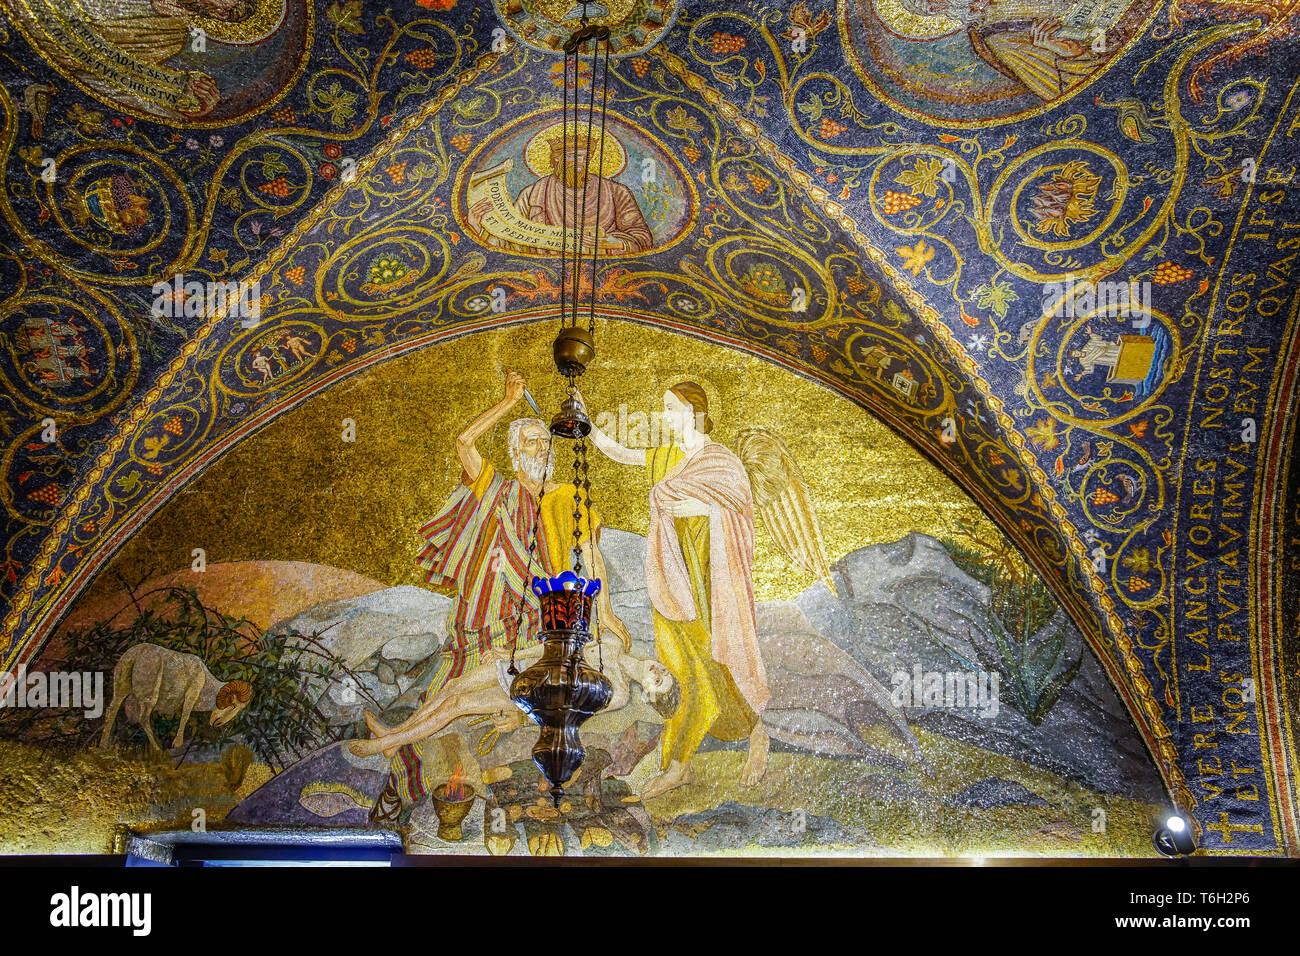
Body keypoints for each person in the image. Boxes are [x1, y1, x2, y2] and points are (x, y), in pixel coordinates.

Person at [349, 369, 631, 759]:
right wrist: (508, 402)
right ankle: (396, 737)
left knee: (467, 699)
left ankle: (394, 740)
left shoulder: (569, 496)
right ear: (516, 453)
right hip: (489, 611)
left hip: (539, 613)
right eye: (532, 444)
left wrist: (609, 613)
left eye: (546, 445)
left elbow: (592, 556)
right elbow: (464, 442)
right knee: (456, 691)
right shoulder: (498, 487)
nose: (543, 451)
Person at [582, 382, 770, 799]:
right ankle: (678, 765)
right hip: (674, 580)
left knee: (718, 663)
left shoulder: (721, 460)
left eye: (670, 408)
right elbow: (623, 453)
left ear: (692, 410)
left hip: (710, 583)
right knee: (681, 672)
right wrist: (588, 426)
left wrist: (704, 508)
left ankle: (756, 733)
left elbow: (740, 511)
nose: (664, 416)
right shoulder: (666, 458)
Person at [513, 132, 654, 253]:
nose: (580, 162)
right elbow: (512, 235)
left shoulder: (616, 191)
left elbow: (642, 237)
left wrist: (617, 243)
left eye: (585, 157)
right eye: (573, 156)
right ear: (557, 158)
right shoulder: (533, 194)